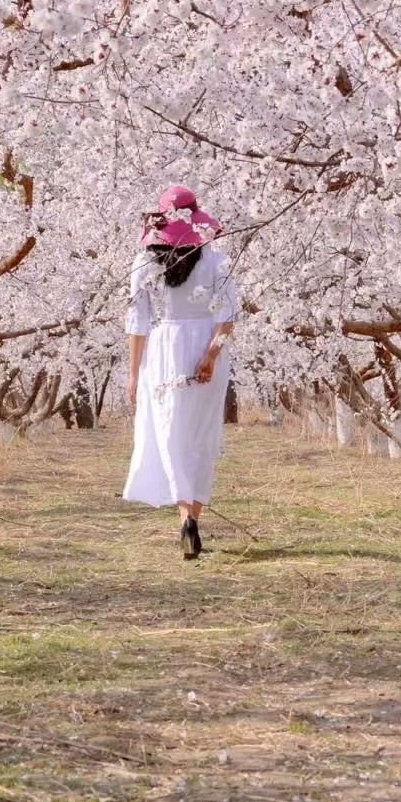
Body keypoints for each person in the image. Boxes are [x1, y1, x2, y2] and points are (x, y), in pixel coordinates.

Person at [123, 185, 238, 560]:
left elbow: (137, 322)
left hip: (162, 349)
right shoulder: (216, 262)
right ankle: (192, 517)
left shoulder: (143, 264)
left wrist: (134, 374)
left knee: (169, 432)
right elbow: (227, 317)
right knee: (199, 436)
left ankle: (185, 517)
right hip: (204, 344)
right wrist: (210, 357)